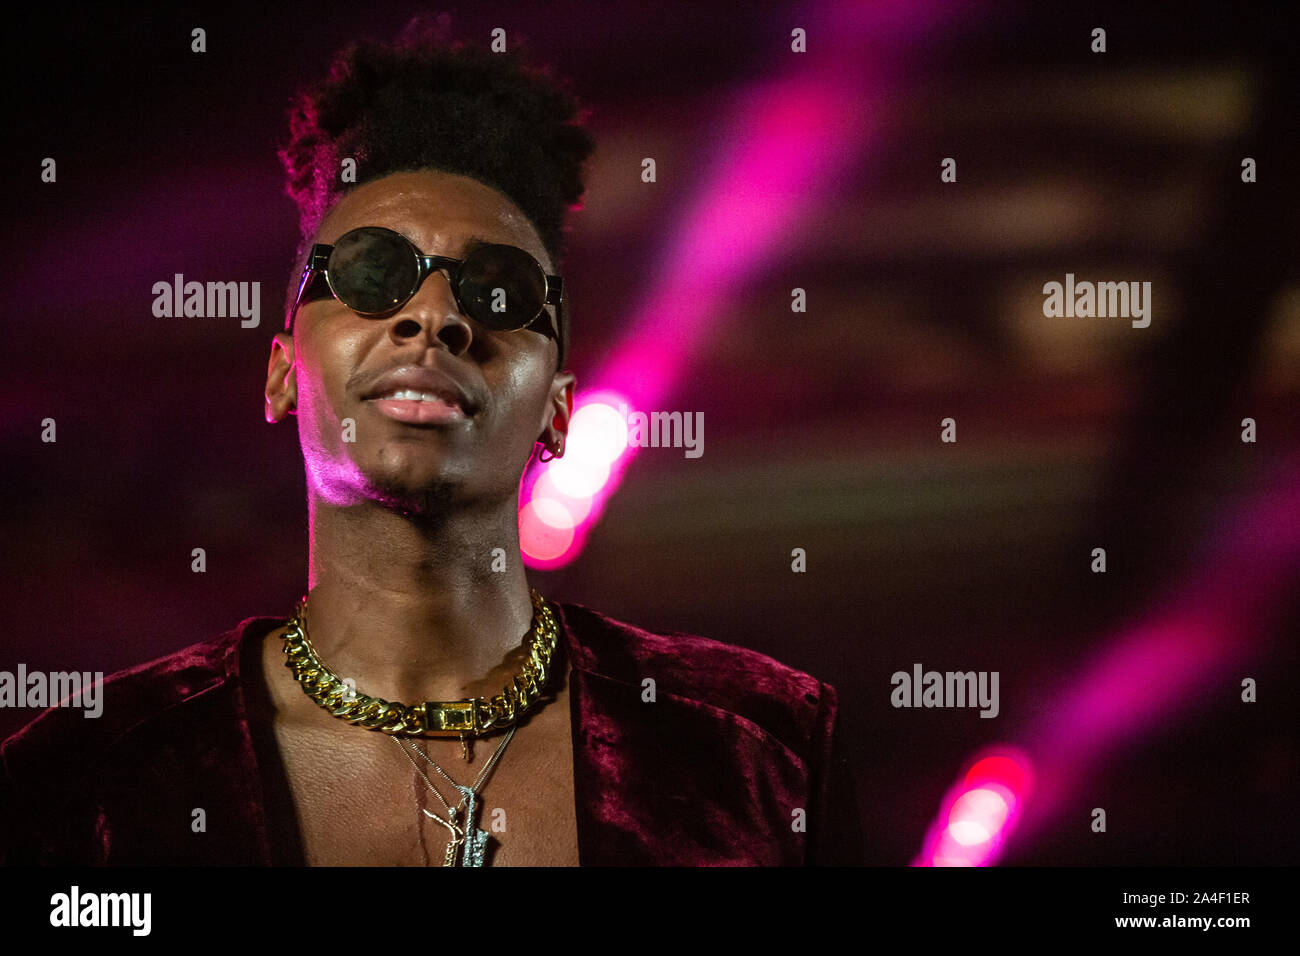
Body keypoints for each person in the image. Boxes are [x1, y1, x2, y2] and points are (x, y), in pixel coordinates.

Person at [1, 14, 864, 866]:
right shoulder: (82, 781)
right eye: (372, 273)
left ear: (558, 412)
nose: (434, 315)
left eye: (498, 292)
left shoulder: (762, 752)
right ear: (282, 372)